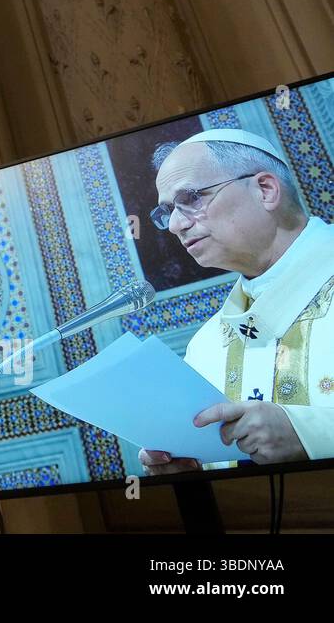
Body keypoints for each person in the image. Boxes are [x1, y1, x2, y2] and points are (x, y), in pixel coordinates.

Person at [139, 129, 334, 475]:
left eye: (192, 198)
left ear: (265, 189)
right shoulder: (207, 346)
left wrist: (311, 436)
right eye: (167, 211)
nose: (174, 225)